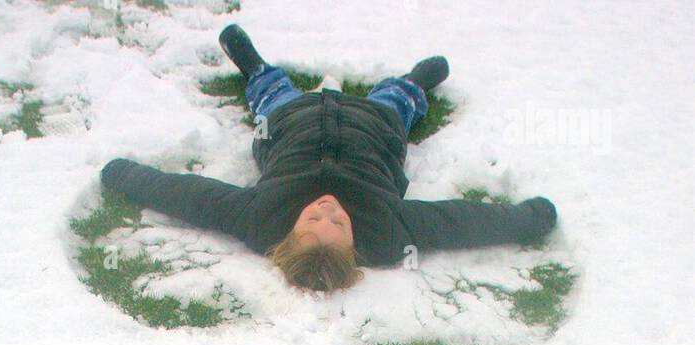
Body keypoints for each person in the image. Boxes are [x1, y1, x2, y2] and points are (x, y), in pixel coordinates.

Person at [98, 24, 558, 292]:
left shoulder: (258, 218)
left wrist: (126, 177)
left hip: (289, 123)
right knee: (396, 101)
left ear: (288, 233)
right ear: (356, 245)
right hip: (373, 127)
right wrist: (527, 219)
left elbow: (192, 197)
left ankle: (254, 67)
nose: (328, 210)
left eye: (313, 221)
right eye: (338, 225)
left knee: (271, 95)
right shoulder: (391, 231)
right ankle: (416, 82)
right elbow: (457, 223)